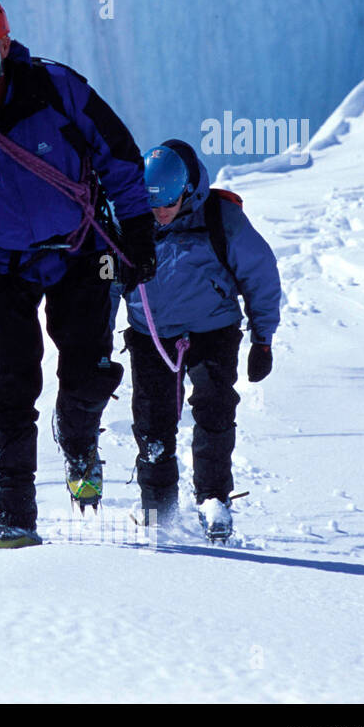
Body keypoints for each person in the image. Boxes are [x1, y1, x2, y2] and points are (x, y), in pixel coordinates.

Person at [0, 0, 156, 549]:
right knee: (12, 388)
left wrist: (137, 229)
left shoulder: (56, 88)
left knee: (89, 372)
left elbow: (117, 154)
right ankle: (13, 518)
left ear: (3, 44)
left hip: (82, 251)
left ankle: (78, 437)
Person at [123, 139, 281, 540]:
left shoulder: (220, 218)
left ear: (188, 191)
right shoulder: (130, 222)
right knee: (152, 422)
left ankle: (213, 499)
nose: (158, 214)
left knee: (214, 406)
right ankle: (158, 509)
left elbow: (259, 276)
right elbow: (105, 281)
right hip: (151, 335)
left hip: (212, 331)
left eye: (167, 204)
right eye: (151, 203)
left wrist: (263, 339)